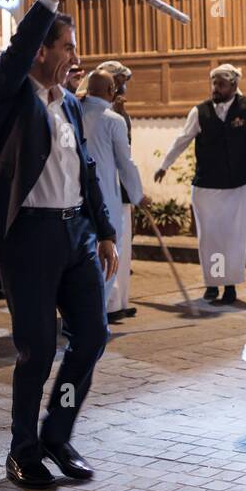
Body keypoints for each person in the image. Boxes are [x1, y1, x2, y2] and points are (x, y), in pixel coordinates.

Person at [0, 0, 118, 489]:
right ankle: (22, 449)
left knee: (93, 336)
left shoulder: (72, 104)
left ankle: (57, 433)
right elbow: (15, 56)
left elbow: (86, 171)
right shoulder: (6, 90)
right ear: (39, 49)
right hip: (26, 239)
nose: (75, 57)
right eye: (67, 46)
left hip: (76, 234)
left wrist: (104, 230)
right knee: (36, 348)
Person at [154, 64, 246, 306]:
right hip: (207, 186)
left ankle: (229, 285)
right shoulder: (200, 112)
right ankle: (213, 282)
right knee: (210, 237)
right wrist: (165, 165)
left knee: (233, 236)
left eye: (221, 84)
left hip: (238, 184)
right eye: (213, 83)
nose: (215, 88)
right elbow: (182, 140)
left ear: (233, 85)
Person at [80, 70, 147, 321]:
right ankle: (97, 313)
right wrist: (138, 195)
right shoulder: (112, 119)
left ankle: (82, 311)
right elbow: (125, 163)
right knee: (108, 255)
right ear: (111, 91)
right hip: (105, 196)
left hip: (72, 197)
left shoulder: (73, 111)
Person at [94, 60, 137, 320]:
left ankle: (119, 301)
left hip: (120, 187)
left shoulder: (120, 111)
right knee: (107, 245)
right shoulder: (93, 109)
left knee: (123, 244)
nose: (122, 87)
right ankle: (106, 304)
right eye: (119, 82)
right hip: (103, 186)